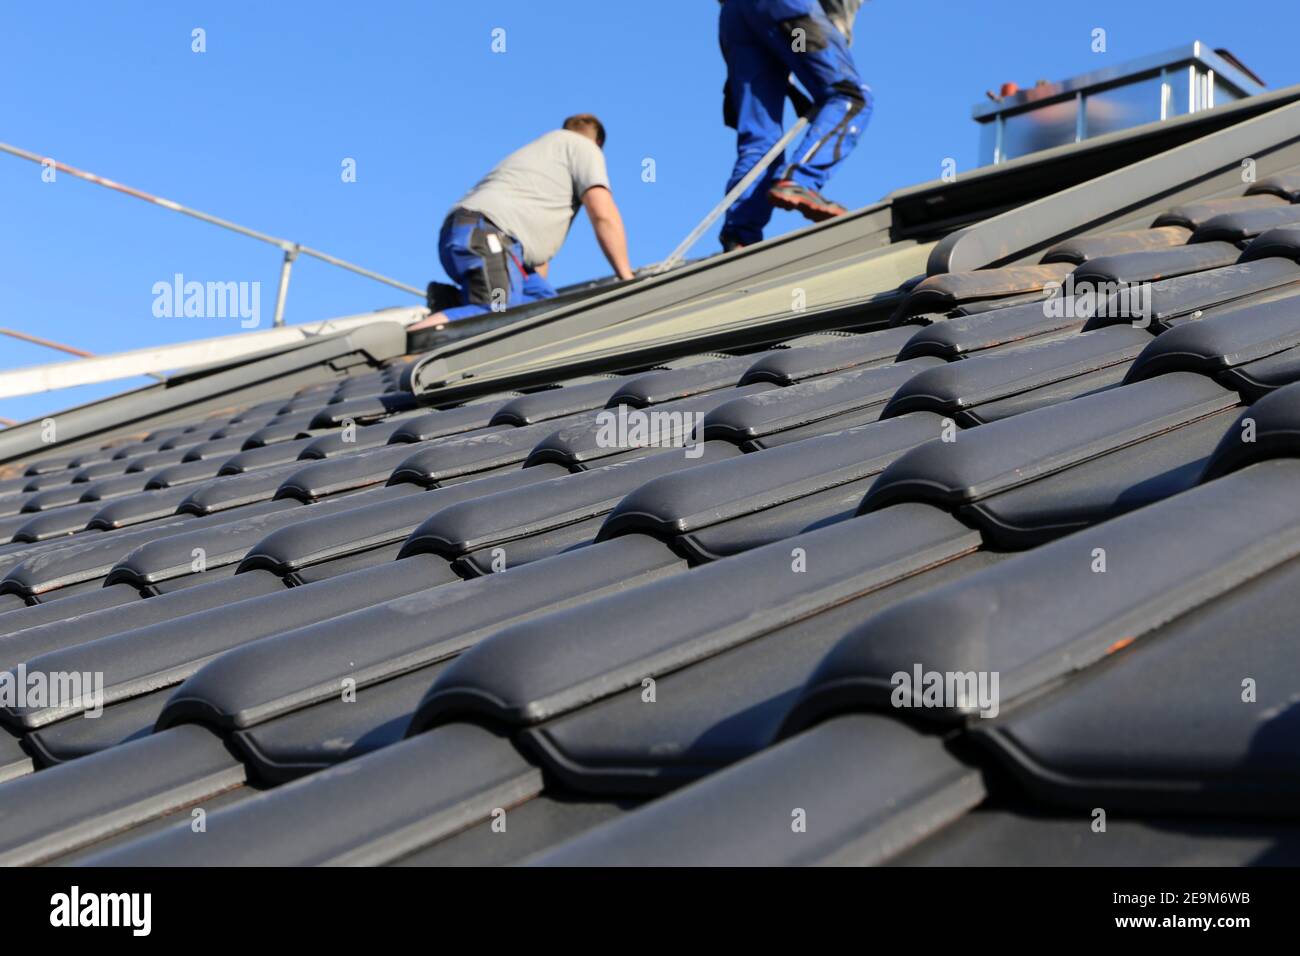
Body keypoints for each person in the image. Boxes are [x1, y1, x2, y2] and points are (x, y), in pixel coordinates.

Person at [410, 114, 634, 331]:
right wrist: (627, 280)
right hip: (488, 234)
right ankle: (414, 339)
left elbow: (538, 254)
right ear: (598, 141)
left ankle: (455, 302)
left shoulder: (542, 154)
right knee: (498, 311)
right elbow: (602, 213)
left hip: (476, 233)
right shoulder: (585, 148)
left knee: (542, 308)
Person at [718, 0, 873, 251]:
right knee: (851, 97)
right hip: (787, 10)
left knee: (760, 139)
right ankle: (800, 179)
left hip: (735, 17)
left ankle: (741, 234)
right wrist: (836, 32)